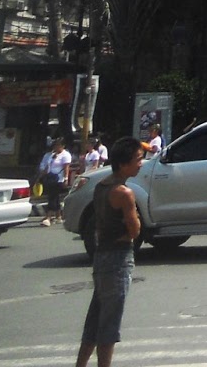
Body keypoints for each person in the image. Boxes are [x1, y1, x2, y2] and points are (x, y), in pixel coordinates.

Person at [76, 135, 144, 367]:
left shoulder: (101, 186)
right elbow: (134, 230)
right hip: (118, 259)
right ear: (123, 164)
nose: (141, 163)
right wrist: (129, 228)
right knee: (109, 324)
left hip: (101, 255)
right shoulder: (124, 193)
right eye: (137, 159)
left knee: (95, 318)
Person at [39, 137, 72, 225]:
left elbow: (66, 168)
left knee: (52, 197)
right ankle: (58, 216)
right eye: (55, 145)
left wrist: (66, 179)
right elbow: (47, 165)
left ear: (63, 146)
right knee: (54, 197)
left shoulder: (66, 155)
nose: (56, 147)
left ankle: (48, 217)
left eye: (58, 145)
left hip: (59, 179)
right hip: (50, 177)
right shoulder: (52, 155)